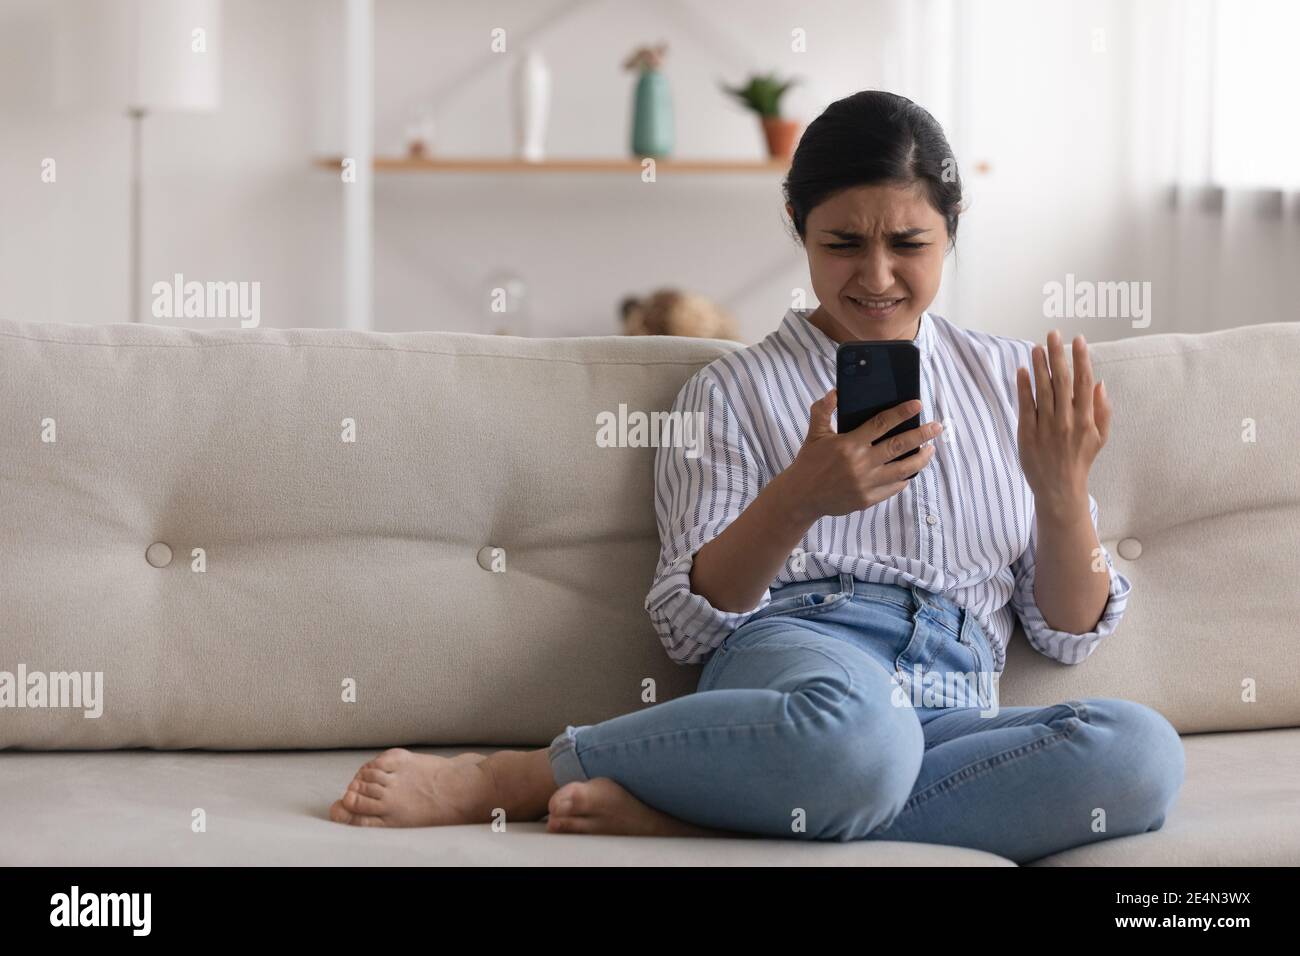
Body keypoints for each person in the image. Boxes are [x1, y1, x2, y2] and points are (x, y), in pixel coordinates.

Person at [329, 90, 1184, 863]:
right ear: (797, 226)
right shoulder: (729, 392)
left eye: (908, 243)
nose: (876, 277)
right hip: (803, 672)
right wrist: (799, 499)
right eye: (842, 243)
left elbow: (1069, 631)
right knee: (861, 738)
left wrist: (1062, 494)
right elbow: (688, 628)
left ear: (951, 229)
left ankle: (711, 818)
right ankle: (514, 775)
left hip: (953, 695)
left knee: (1140, 755)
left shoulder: (1011, 382)